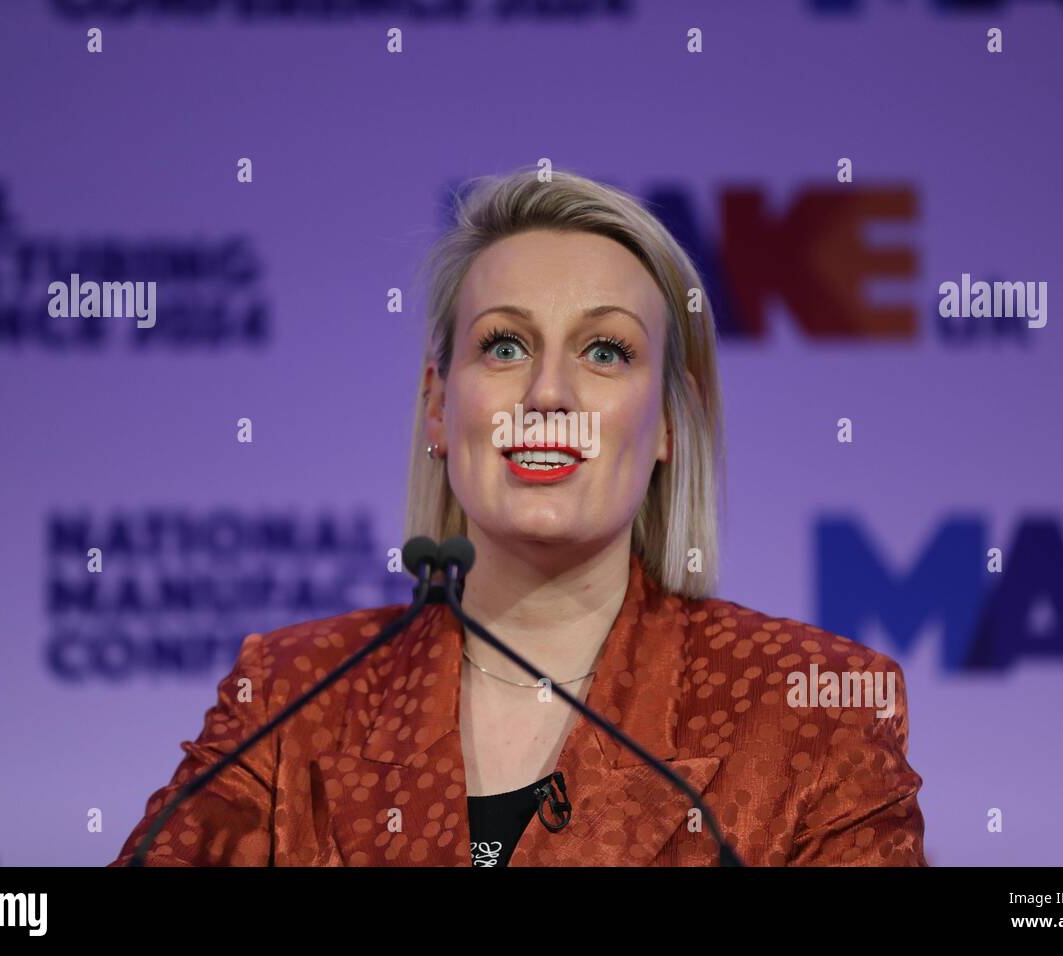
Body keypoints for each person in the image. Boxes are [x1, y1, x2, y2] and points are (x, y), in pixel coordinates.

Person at [109, 166, 926, 867]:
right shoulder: (290, 698)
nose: (546, 396)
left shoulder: (812, 710)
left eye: (606, 351)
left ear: (672, 423)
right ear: (438, 404)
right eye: (504, 346)